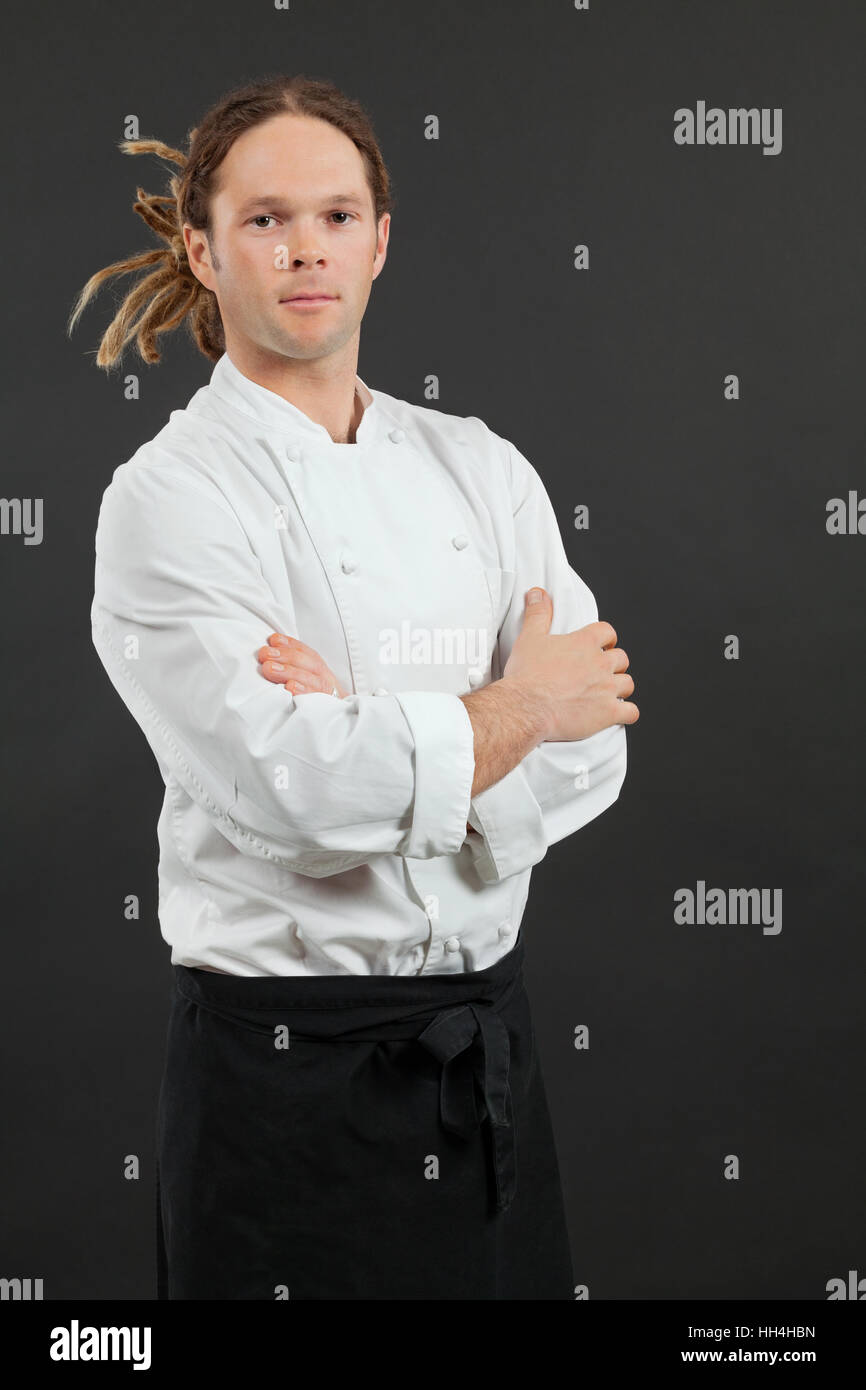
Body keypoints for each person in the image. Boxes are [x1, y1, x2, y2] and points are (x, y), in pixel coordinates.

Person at [68, 72, 639, 1301]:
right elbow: (295, 796)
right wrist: (513, 707)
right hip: (283, 1089)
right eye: (265, 218)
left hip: (485, 1063)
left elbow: (598, 748)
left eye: (334, 216)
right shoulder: (167, 498)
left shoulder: (479, 465)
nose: (304, 249)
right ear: (202, 246)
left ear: (380, 240)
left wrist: (382, 734)